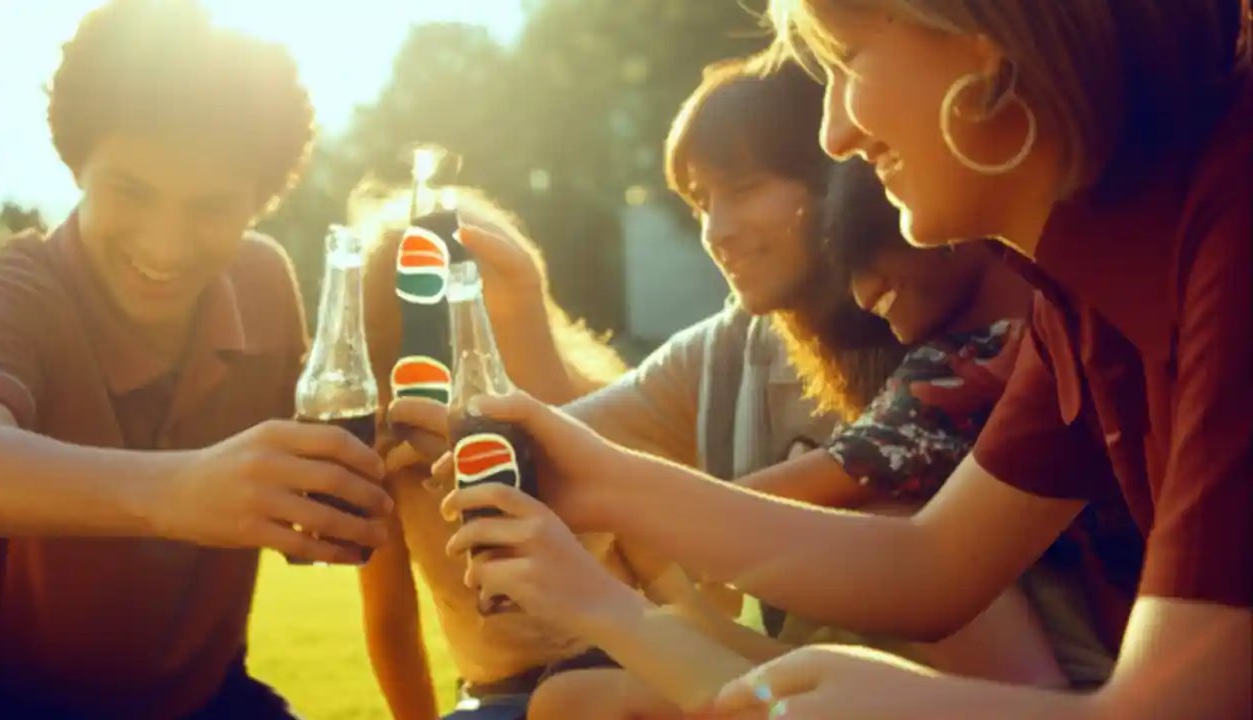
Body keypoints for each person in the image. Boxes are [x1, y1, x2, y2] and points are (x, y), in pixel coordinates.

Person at [435, 1, 1253, 717]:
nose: (836, 132)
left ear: (987, 37)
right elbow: (932, 564)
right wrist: (603, 486)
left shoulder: (1231, 218)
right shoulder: (1079, 289)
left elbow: (1181, 707)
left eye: (846, 60)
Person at [372, 54, 908, 719]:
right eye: (702, 202)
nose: (717, 231)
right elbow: (573, 445)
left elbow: (926, 567)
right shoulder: (722, 350)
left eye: (741, 188)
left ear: (835, 174)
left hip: (936, 687)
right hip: (794, 683)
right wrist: (511, 323)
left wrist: (645, 557)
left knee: (580, 696)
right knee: (573, 698)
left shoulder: (935, 355)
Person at [0, 1, 395, 717]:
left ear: (259, 203)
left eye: (210, 209)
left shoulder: (264, 281)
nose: (165, 247)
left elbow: (303, 505)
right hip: (19, 699)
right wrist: (174, 494)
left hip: (209, 700)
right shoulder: (21, 291)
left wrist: (343, 494)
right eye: (129, 192)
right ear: (78, 165)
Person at [357, 185, 633, 720]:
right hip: (495, 700)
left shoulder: (598, 407)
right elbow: (391, 620)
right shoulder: (392, 463)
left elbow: (679, 585)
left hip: (623, 681)